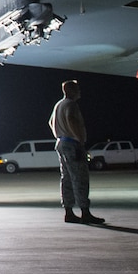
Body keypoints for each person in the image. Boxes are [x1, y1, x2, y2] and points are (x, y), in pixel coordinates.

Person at [48, 80, 104, 224]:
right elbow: (71, 119)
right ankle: (85, 212)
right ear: (71, 90)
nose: (80, 91)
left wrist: (59, 133)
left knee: (66, 178)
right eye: (77, 88)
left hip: (61, 142)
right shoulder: (71, 104)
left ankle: (69, 211)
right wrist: (79, 140)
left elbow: (50, 122)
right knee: (79, 178)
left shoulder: (58, 105)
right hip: (72, 143)